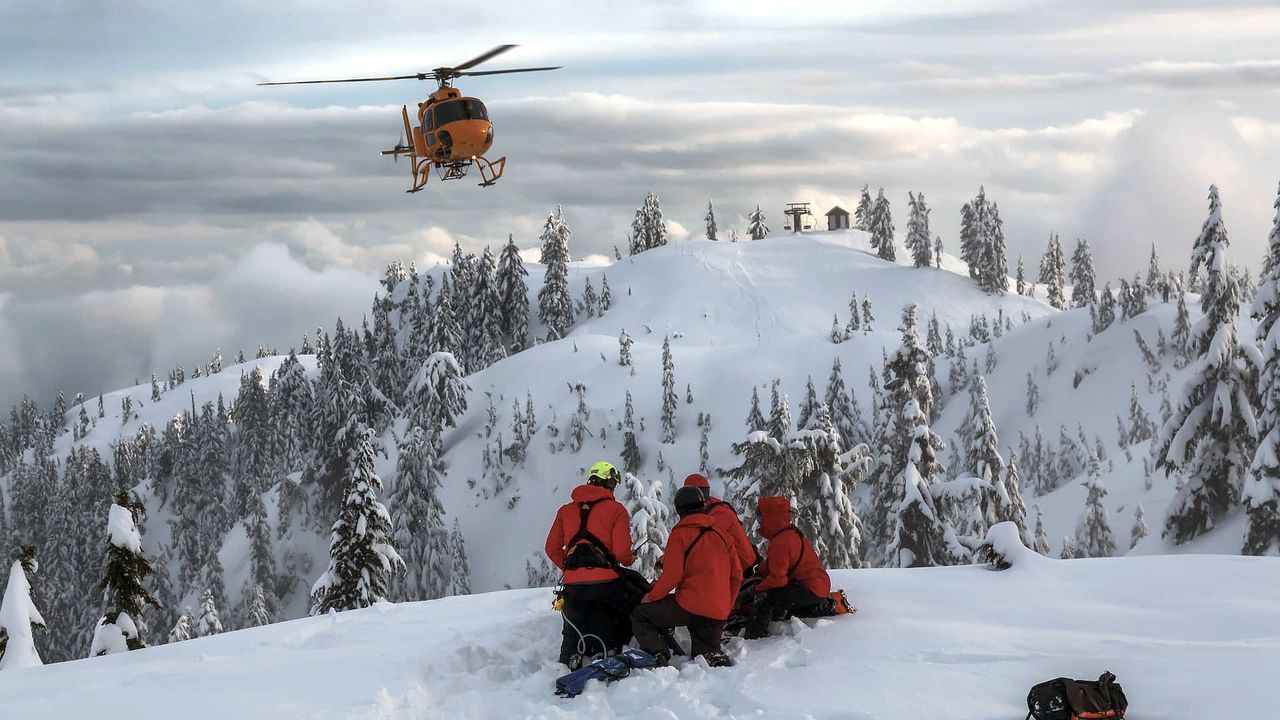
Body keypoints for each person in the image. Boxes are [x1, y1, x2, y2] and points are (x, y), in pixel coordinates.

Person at [631, 485, 742, 667]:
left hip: (689, 606)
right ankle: (714, 660)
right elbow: (736, 575)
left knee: (640, 615)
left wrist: (650, 597)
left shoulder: (680, 534)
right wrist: (724, 608)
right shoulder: (722, 535)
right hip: (718, 611)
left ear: (679, 509)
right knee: (705, 657)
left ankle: (658, 654)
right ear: (704, 505)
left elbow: (672, 576)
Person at [545, 461, 636, 669]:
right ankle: (610, 649)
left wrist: (572, 570)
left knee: (573, 624)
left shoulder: (565, 511)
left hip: (573, 584)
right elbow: (623, 554)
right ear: (610, 483)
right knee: (624, 611)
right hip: (607, 582)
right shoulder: (616, 510)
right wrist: (629, 560)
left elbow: (551, 548)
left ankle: (569, 658)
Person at [744, 496, 853, 640]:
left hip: (809, 588)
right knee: (780, 599)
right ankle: (827, 605)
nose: (759, 521)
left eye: (760, 517)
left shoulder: (780, 542)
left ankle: (755, 639)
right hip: (816, 585)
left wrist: (754, 590)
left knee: (765, 598)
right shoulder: (787, 532)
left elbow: (778, 580)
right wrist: (759, 574)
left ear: (771, 518)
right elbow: (774, 563)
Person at [683, 473, 758, 574]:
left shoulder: (719, 514)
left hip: (744, 570)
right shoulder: (707, 510)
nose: (701, 499)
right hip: (732, 569)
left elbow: (701, 545)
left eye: (704, 493)